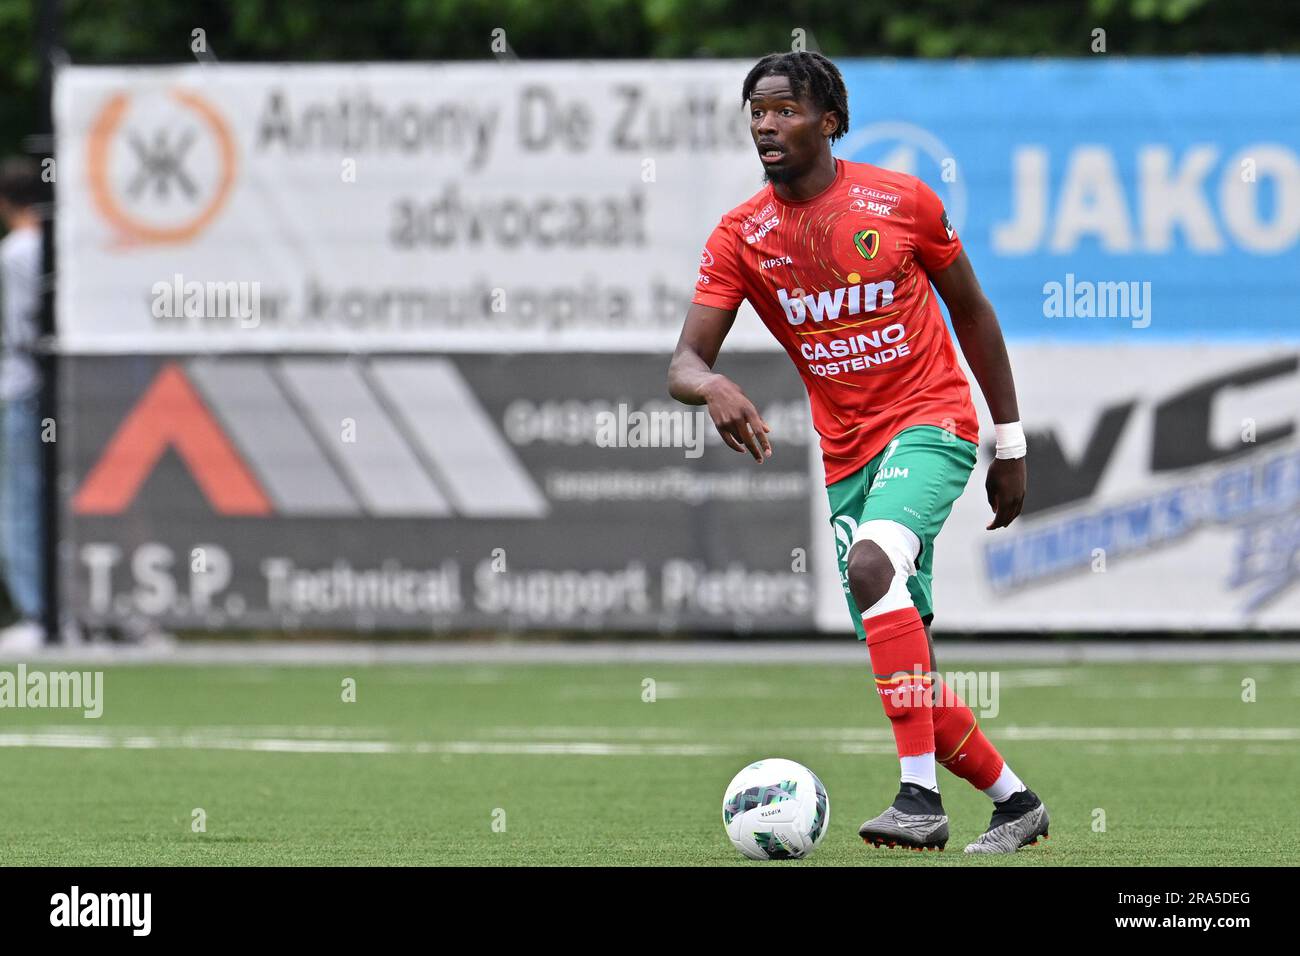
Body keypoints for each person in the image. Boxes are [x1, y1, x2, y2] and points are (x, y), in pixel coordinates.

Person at [668, 52, 1047, 853]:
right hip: (846, 456)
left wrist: (1008, 442)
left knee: (872, 569)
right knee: (902, 659)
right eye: (757, 113)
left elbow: (974, 314)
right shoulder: (743, 235)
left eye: (783, 110)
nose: (766, 125)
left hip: (932, 421)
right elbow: (684, 362)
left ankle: (919, 799)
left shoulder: (900, 201)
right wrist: (712, 388)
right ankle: (1016, 804)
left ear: (830, 121)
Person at [0, 156, 48, 651]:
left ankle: (36, 609)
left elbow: (19, 328)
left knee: (18, 504)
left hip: (22, 385)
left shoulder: (15, 251)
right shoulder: (61, 247)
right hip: (63, 389)